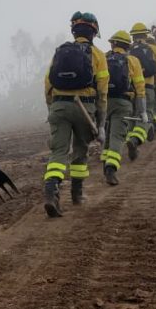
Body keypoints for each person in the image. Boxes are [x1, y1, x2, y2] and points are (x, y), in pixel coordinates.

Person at [42, 11, 108, 216]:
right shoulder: (98, 55)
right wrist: (101, 124)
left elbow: (47, 84)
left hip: (59, 106)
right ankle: (77, 194)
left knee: (58, 151)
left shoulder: (60, 51)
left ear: (74, 31)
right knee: (80, 150)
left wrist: (52, 109)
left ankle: (51, 191)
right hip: (84, 108)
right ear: (93, 32)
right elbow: (102, 91)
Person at [101, 30, 146, 184]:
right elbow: (140, 88)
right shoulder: (133, 61)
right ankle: (111, 168)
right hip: (123, 102)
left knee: (107, 132)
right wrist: (143, 111)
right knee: (117, 136)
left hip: (104, 101)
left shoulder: (104, 58)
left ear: (113, 44)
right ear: (128, 46)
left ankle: (104, 162)